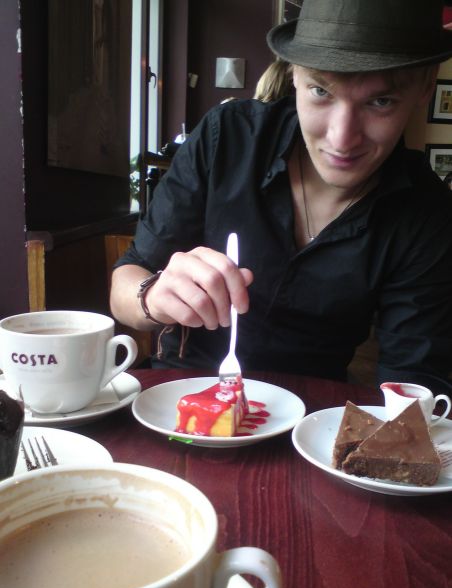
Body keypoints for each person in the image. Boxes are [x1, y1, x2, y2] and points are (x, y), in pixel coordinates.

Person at [110, 0, 452, 395]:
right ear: (294, 75)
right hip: (180, 395)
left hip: (314, 414)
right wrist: (153, 297)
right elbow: (125, 284)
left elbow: (412, 384)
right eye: (321, 91)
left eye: (381, 102)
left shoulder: (428, 214)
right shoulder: (227, 138)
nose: (342, 138)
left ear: (425, 87)